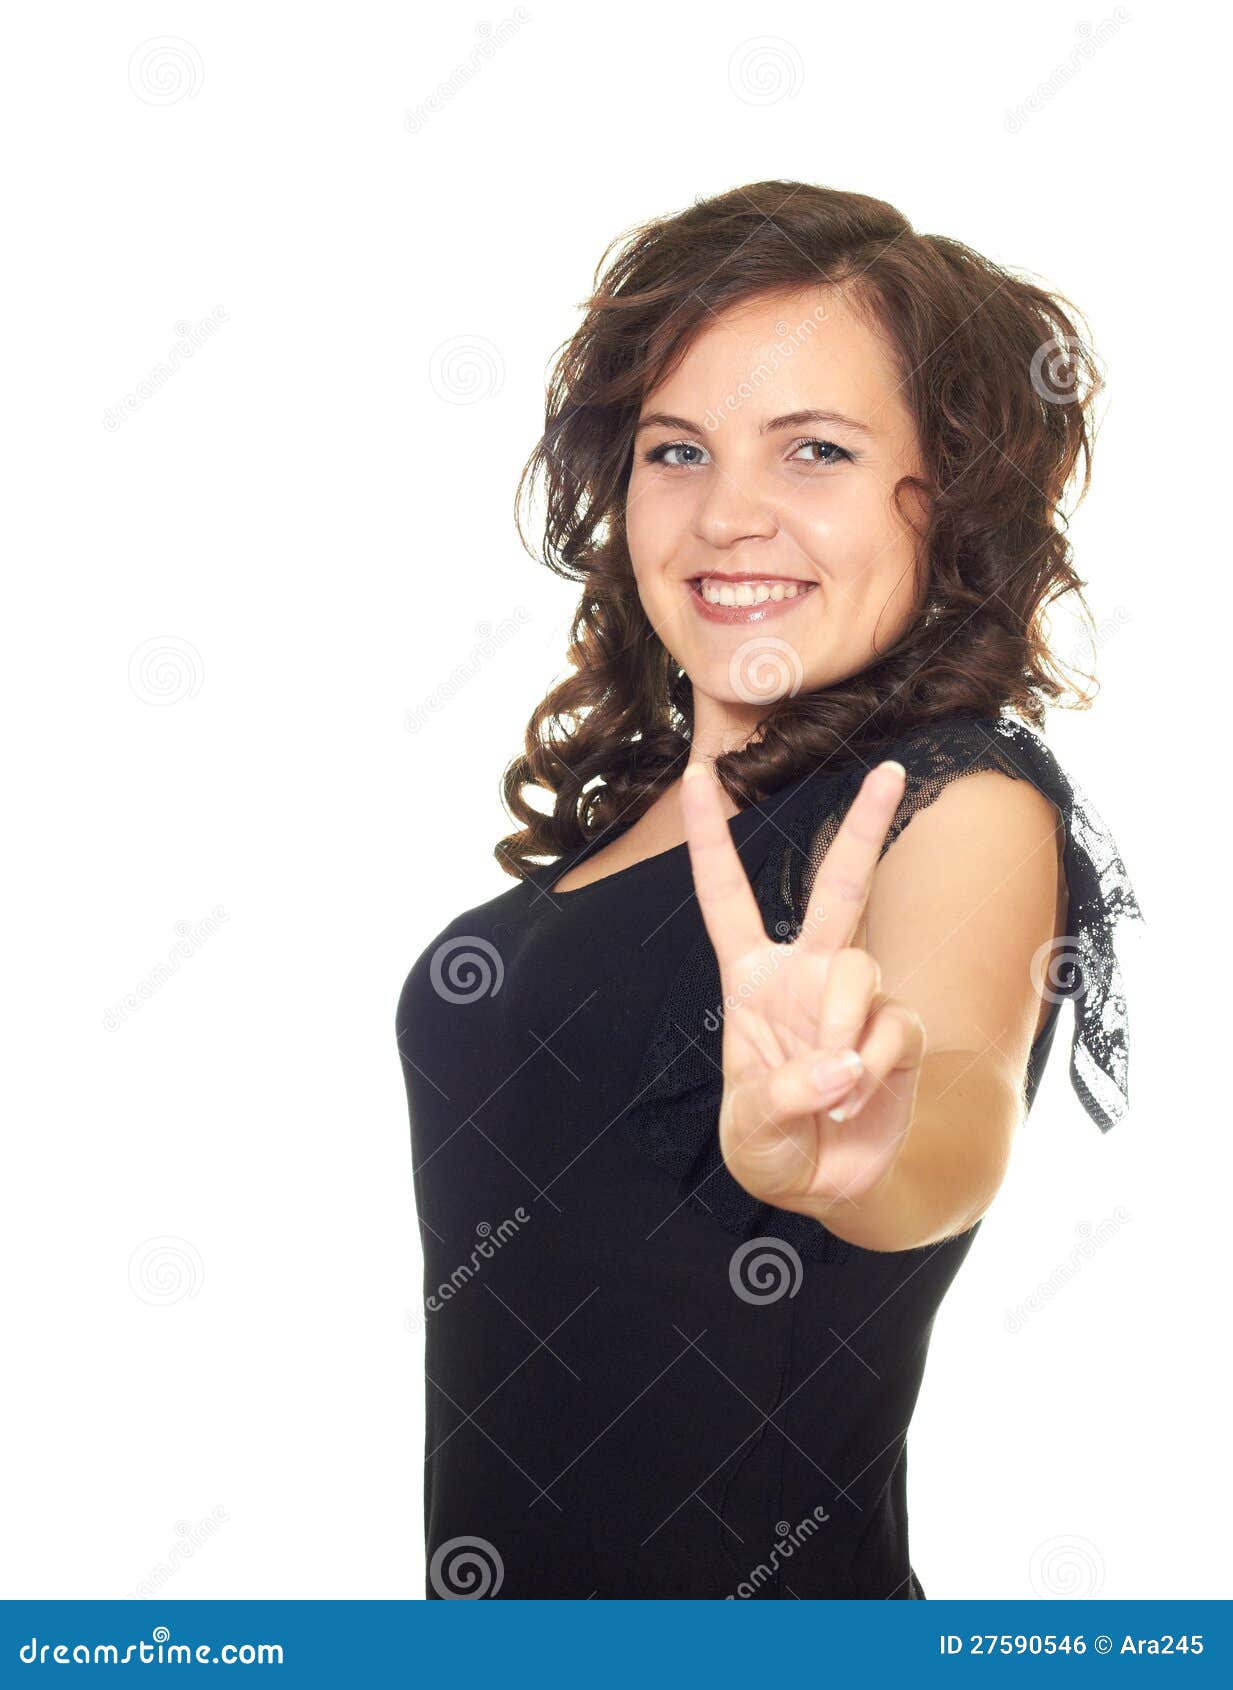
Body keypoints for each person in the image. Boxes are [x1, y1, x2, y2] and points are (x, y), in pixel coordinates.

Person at [395, 180, 1144, 1599]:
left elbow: (956, 1094)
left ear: (954, 490)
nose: (727, 512)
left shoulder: (947, 798)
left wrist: (862, 1138)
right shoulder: (644, 821)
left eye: (813, 449)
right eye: (676, 449)